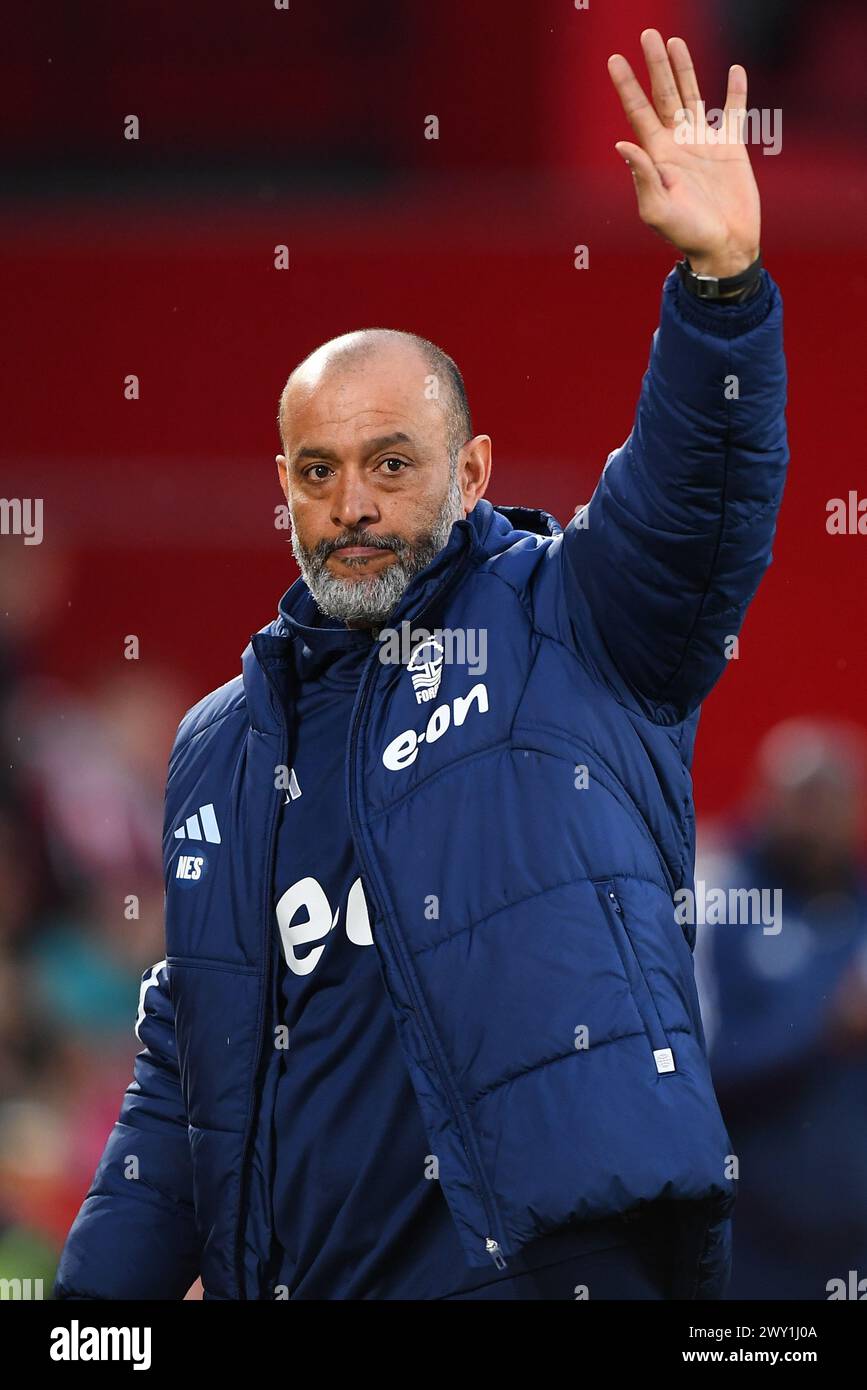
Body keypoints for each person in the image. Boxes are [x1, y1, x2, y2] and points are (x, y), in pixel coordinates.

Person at [54, 30, 788, 1301]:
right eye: (318, 470)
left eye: (393, 463)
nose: (353, 503)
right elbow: (188, 1075)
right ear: (279, 485)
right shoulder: (216, 747)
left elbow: (693, 508)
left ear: (475, 472)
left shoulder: (572, 618)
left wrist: (722, 291)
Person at [697, 720, 867, 1300]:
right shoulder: (718, 897)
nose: (818, 818)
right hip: (751, 1250)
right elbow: (698, 1068)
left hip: (851, 1249)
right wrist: (827, 1026)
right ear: (768, 797)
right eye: (805, 797)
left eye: (834, 798)